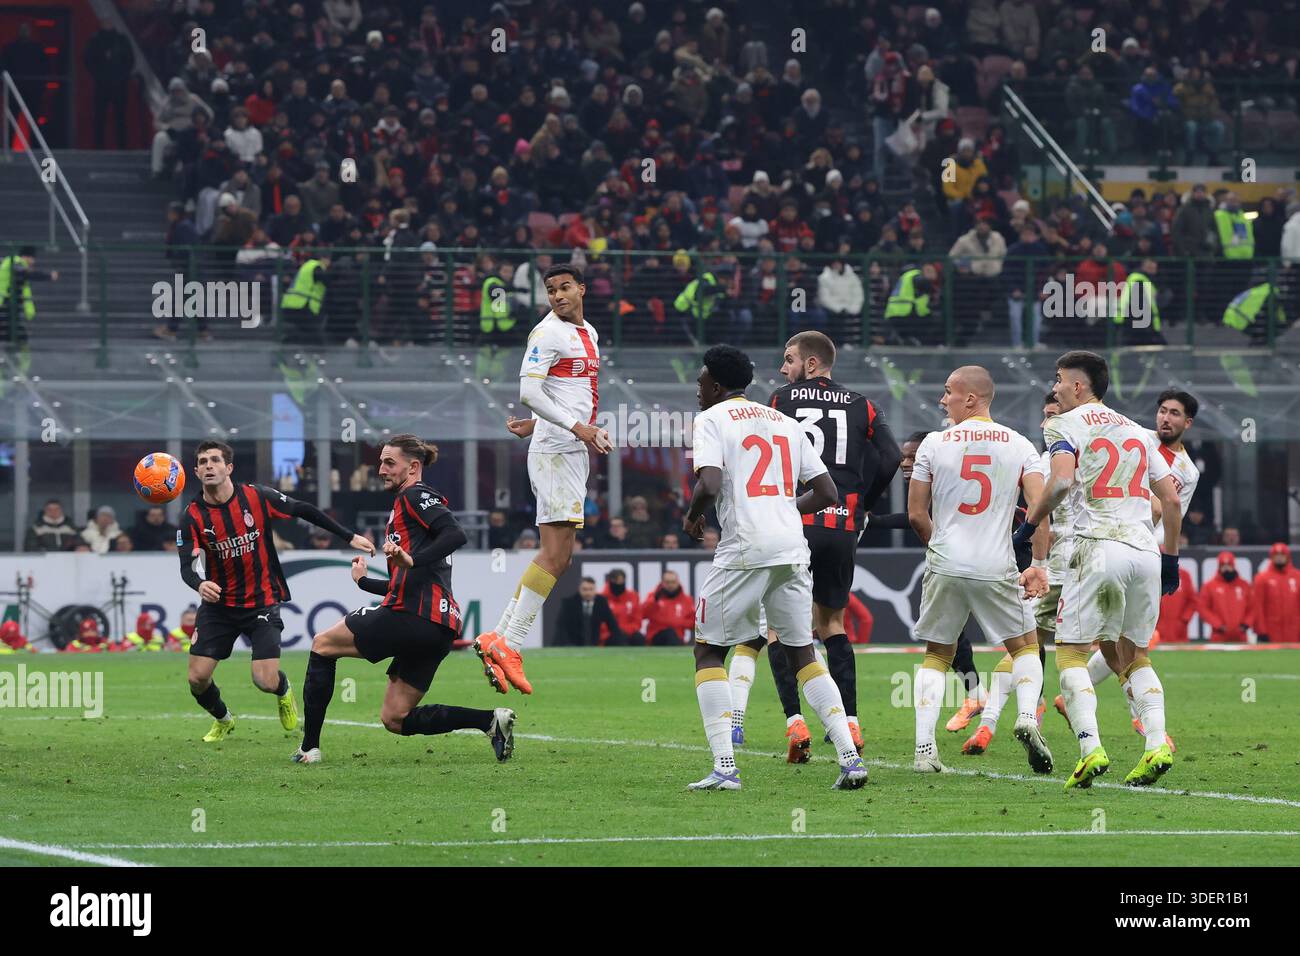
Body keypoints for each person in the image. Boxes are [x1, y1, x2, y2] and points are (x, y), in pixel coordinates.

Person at [681, 344, 866, 791]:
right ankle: (849, 758)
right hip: (791, 547)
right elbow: (826, 493)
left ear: (718, 385)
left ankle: (725, 767)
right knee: (803, 651)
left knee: (708, 650)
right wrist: (784, 508)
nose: (698, 389)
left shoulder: (710, 420)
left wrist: (692, 516)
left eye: (702, 381)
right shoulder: (783, 421)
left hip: (744, 546)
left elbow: (709, 482)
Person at [728, 331, 900, 759]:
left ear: (810, 364)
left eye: (788, 359)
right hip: (842, 524)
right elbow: (893, 457)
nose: (783, 369)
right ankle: (851, 723)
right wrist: (864, 504)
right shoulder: (865, 404)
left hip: (796, 520)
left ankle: (795, 722)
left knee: (779, 629)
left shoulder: (779, 400)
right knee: (833, 626)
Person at [295, 435, 514, 764]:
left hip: (413, 617)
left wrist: (412, 560)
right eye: (381, 461)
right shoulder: (410, 508)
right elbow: (408, 581)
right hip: (438, 627)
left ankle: (308, 748)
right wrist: (365, 582)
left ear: (413, 467)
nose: (381, 469)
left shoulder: (415, 495)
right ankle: (490, 721)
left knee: (323, 645)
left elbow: (456, 533)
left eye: (389, 463)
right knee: (395, 718)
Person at [1019, 351, 1183, 788]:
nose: (1053, 388)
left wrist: (1030, 523)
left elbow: (1061, 481)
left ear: (1078, 386)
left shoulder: (1062, 425)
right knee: (1135, 655)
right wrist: (1171, 559)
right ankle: (1156, 744)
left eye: (1058, 380)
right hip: (1145, 551)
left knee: (1070, 652)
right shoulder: (1139, 431)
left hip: (1095, 547)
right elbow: (1170, 500)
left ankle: (1090, 748)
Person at [906, 366, 1052, 776]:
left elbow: (917, 515)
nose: (942, 399)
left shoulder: (933, 444)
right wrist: (1038, 566)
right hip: (997, 564)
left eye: (948, 391)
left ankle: (923, 751)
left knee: (937, 655)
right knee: (1023, 647)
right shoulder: (1021, 445)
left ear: (971, 398)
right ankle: (1026, 716)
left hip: (946, 561)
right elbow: (1040, 512)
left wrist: (942, 550)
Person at [178, 439, 374, 744]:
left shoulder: (256, 497)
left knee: (264, 680)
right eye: (203, 462)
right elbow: (186, 567)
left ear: (228, 468)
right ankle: (223, 719)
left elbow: (304, 509)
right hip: (219, 608)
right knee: (197, 678)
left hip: (261, 602)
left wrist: (347, 536)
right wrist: (200, 584)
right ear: (196, 471)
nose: (209, 466)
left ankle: (283, 690)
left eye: (215, 460)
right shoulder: (192, 515)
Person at [474, 264, 612, 695]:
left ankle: (496, 636)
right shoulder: (546, 332)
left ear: (581, 289)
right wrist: (577, 429)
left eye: (565, 287)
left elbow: (558, 394)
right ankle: (510, 644)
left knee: (559, 556)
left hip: (563, 446)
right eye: (551, 290)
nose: (557, 296)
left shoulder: (588, 332)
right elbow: (529, 391)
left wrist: (537, 424)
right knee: (556, 556)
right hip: (558, 451)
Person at [83, 19, 134, 150]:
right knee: (99, 117)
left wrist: (122, 76)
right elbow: (87, 59)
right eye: (105, 22)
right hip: (101, 85)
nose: (108, 24)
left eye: (110, 22)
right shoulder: (95, 40)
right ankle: (99, 146)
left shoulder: (121, 40)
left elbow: (130, 60)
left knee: (120, 117)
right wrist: (97, 75)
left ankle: (122, 146)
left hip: (119, 85)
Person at [1, 245, 59, 346]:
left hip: (9, 305)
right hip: (5, 304)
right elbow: (28, 274)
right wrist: (49, 276)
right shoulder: (15, 262)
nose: (33, 262)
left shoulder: (12, 262)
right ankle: (16, 359)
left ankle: (11, 359)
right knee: (16, 335)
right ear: (26, 256)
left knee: (14, 334)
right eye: (32, 258)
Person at [1197, 552, 1252, 643]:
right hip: (1219, 635)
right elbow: (1203, 608)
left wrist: (1246, 624)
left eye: (1229, 564)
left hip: (1240, 635)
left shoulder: (1244, 585)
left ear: (1233, 565)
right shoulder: (1209, 586)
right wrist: (1217, 625)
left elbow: (1253, 607)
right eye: (1223, 565)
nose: (1226, 568)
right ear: (1219, 567)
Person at [1252, 543, 1300, 643]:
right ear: (1272, 557)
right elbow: (1258, 607)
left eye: (1282, 555)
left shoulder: (1297, 577)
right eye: (1276, 555)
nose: (1279, 558)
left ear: (1287, 557)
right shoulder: (1262, 578)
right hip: (1272, 630)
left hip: (1294, 630)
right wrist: (1261, 631)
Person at [554, 577, 621, 647]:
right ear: (579, 590)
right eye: (585, 589)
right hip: (572, 644)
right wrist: (568, 645)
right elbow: (561, 627)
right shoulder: (569, 603)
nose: (588, 592)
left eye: (591, 589)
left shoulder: (601, 602)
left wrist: (622, 644)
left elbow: (613, 625)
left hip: (594, 644)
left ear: (595, 590)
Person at [641, 570, 694, 646]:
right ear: (662, 583)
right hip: (656, 636)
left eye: (673, 582)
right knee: (669, 633)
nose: (670, 585)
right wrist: (654, 600)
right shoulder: (653, 597)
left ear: (678, 582)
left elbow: (693, 622)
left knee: (672, 634)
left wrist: (679, 622)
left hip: (678, 637)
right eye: (667, 582)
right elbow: (643, 614)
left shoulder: (687, 600)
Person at [600, 569, 641, 645]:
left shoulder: (633, 596)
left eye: (621, 581)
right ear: (610, 581)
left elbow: (637, 620)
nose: (619, 584)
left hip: (629, 632)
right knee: (619, 639)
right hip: (608, 634)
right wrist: (617, 631)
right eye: (615, 581)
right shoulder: (602, 598)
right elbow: (600, 622)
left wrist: (625, 630)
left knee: (639, 638)